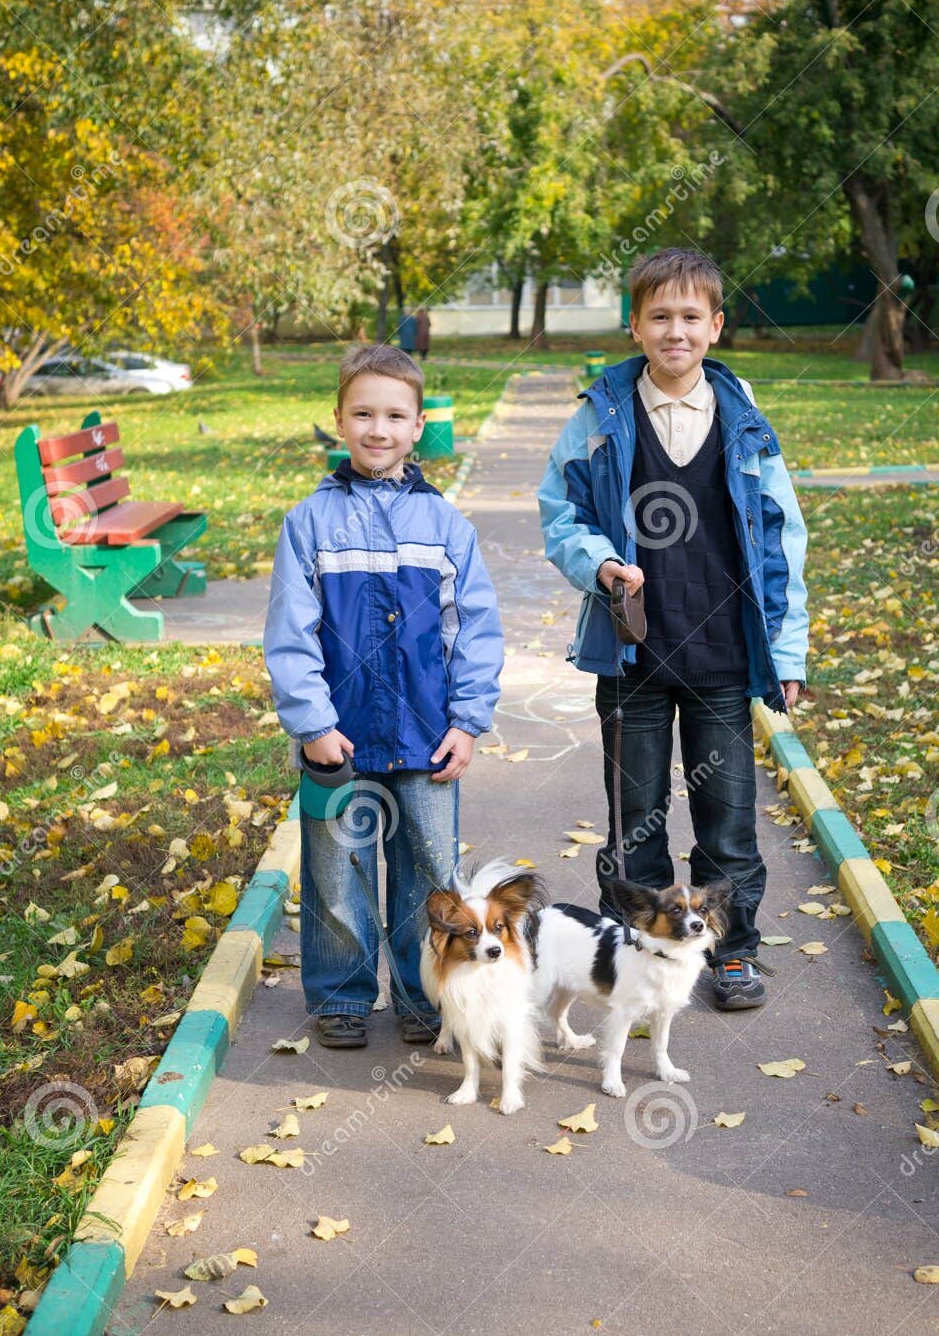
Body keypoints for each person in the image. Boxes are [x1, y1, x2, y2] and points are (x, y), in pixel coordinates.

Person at [538, 247, 808, 1011]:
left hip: (723, 657)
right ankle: (639, 953)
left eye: (691, 316)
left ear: (715, 326)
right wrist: (599, 563)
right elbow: (560, 512)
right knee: (636, 824)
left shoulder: (745, 424)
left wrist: (786, 652)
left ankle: (730, 953)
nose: (675, 330)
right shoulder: (601, 413)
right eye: (659, 316)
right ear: (635, 325)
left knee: (726, 823)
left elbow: (783, 536)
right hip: (632, 658)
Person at [264, 343, 503, 1047]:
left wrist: (467, 722)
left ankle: (422, 993)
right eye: (362, 413)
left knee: (427, 872)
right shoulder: (308, 522)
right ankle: (340, 994)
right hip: (336, 735)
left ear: (418, 424)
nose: (378, 429)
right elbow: (290, 631)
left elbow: (476, 632)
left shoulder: (446, 526)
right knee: (337, 867)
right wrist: (311, 724)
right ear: (338, 420)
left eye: (394, 415)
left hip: (427, 735)